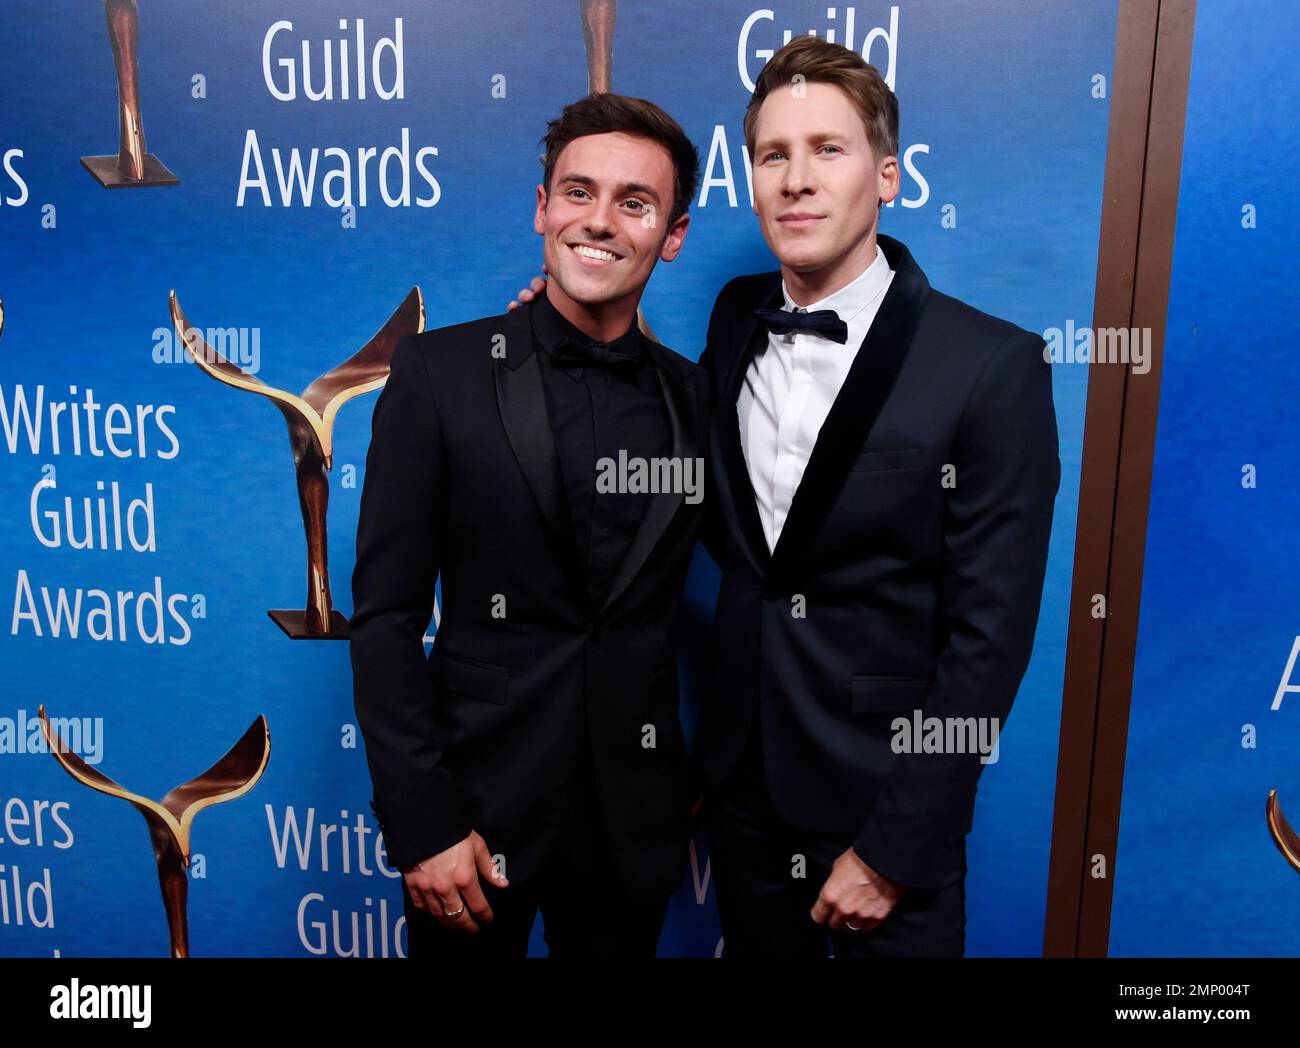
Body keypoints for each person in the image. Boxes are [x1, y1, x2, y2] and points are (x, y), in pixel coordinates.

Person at [696, 36, 1060, 957]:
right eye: (773, 155)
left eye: (829, 149)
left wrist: (896, 849)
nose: (796, 179)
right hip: (742, 794)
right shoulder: (736, 317)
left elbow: (991, 637)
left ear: (889, 176)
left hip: (884, 810)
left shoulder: (991, 365)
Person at [350, 92, 706, 958]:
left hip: (633, 826)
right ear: (542, 206)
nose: (601, 221)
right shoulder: (441, 372)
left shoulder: (698, 398)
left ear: (673, 233)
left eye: (635, 203)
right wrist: (423, 824)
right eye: (578, 192)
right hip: (470, 823)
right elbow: (387, 617)